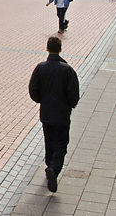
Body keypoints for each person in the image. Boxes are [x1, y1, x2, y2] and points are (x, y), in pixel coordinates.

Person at [28, 36, 80, 193]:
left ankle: (49, 164)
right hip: (62, 114)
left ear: (47, 48)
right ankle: (54, 168)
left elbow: (33, 89)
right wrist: (70, 105)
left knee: (49, 140)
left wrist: (41, 100)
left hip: (46, 113)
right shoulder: (67, 70)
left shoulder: (40, 68)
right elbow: (74, 94)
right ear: (60, 49)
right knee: (61, 144)